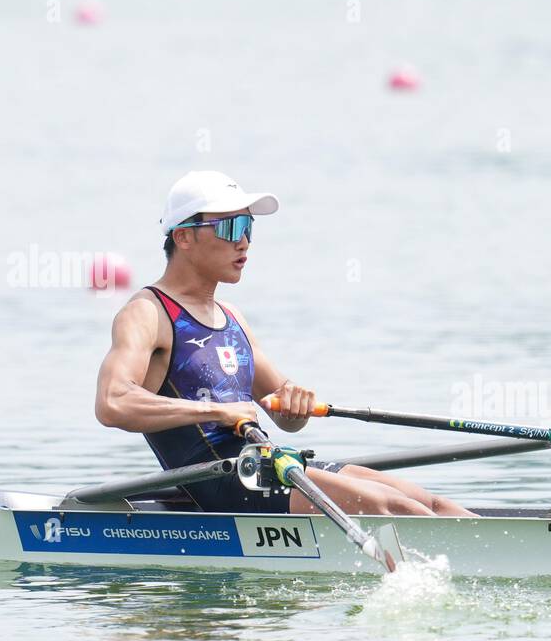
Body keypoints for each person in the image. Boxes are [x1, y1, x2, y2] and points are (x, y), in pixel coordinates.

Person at [94, 170, 473, 517]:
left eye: (249, 227)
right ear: (184, 236)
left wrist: (297, 403)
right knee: (385, 506)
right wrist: (213, 411)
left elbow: (283, 414)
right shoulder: (147, 313)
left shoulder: (232, 317)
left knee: (427, 501)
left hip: (265, 463)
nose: (243, 241)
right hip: (220, 480)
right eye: (230, 226)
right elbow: (113, 403)